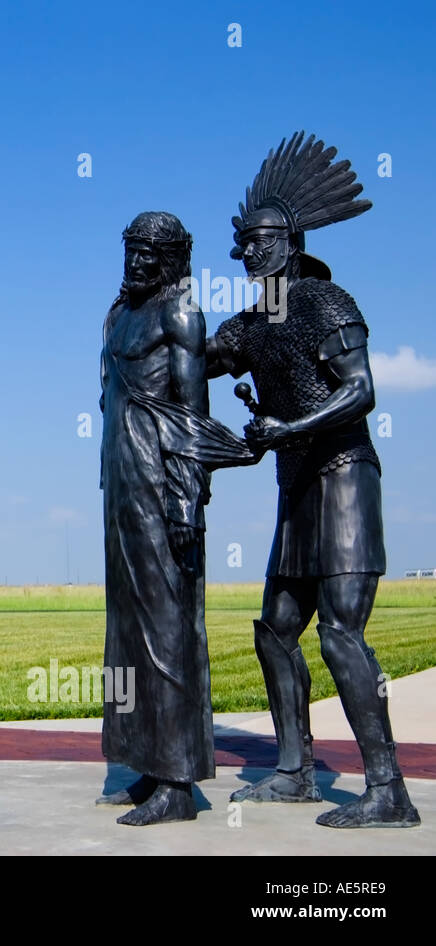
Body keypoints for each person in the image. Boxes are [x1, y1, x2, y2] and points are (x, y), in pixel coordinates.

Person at [207, 132, 419, 828]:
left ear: (291, 241)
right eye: (242, 243)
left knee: (340, 634)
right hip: (298, 489)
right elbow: (201, 358)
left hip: (344, 480)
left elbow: (360, 393)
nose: (247, 253)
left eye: (260, 240)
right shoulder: (256, 323)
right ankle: (295, 771)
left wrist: (287, 431)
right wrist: (147, 317)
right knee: (275, 629)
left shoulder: (325, 301)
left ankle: (388, 789)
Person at [98, 212, 255, 825]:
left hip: (164, 487)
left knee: (169, 629)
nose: (137, 264)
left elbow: (193, 414)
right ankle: (141, 758)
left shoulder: (181, 314)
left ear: (173, 260)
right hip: (121, 486)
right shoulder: (116, 314)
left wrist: (189, 500)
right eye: (131, 251)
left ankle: (178, 782)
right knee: (128, 629)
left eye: (149, 255)